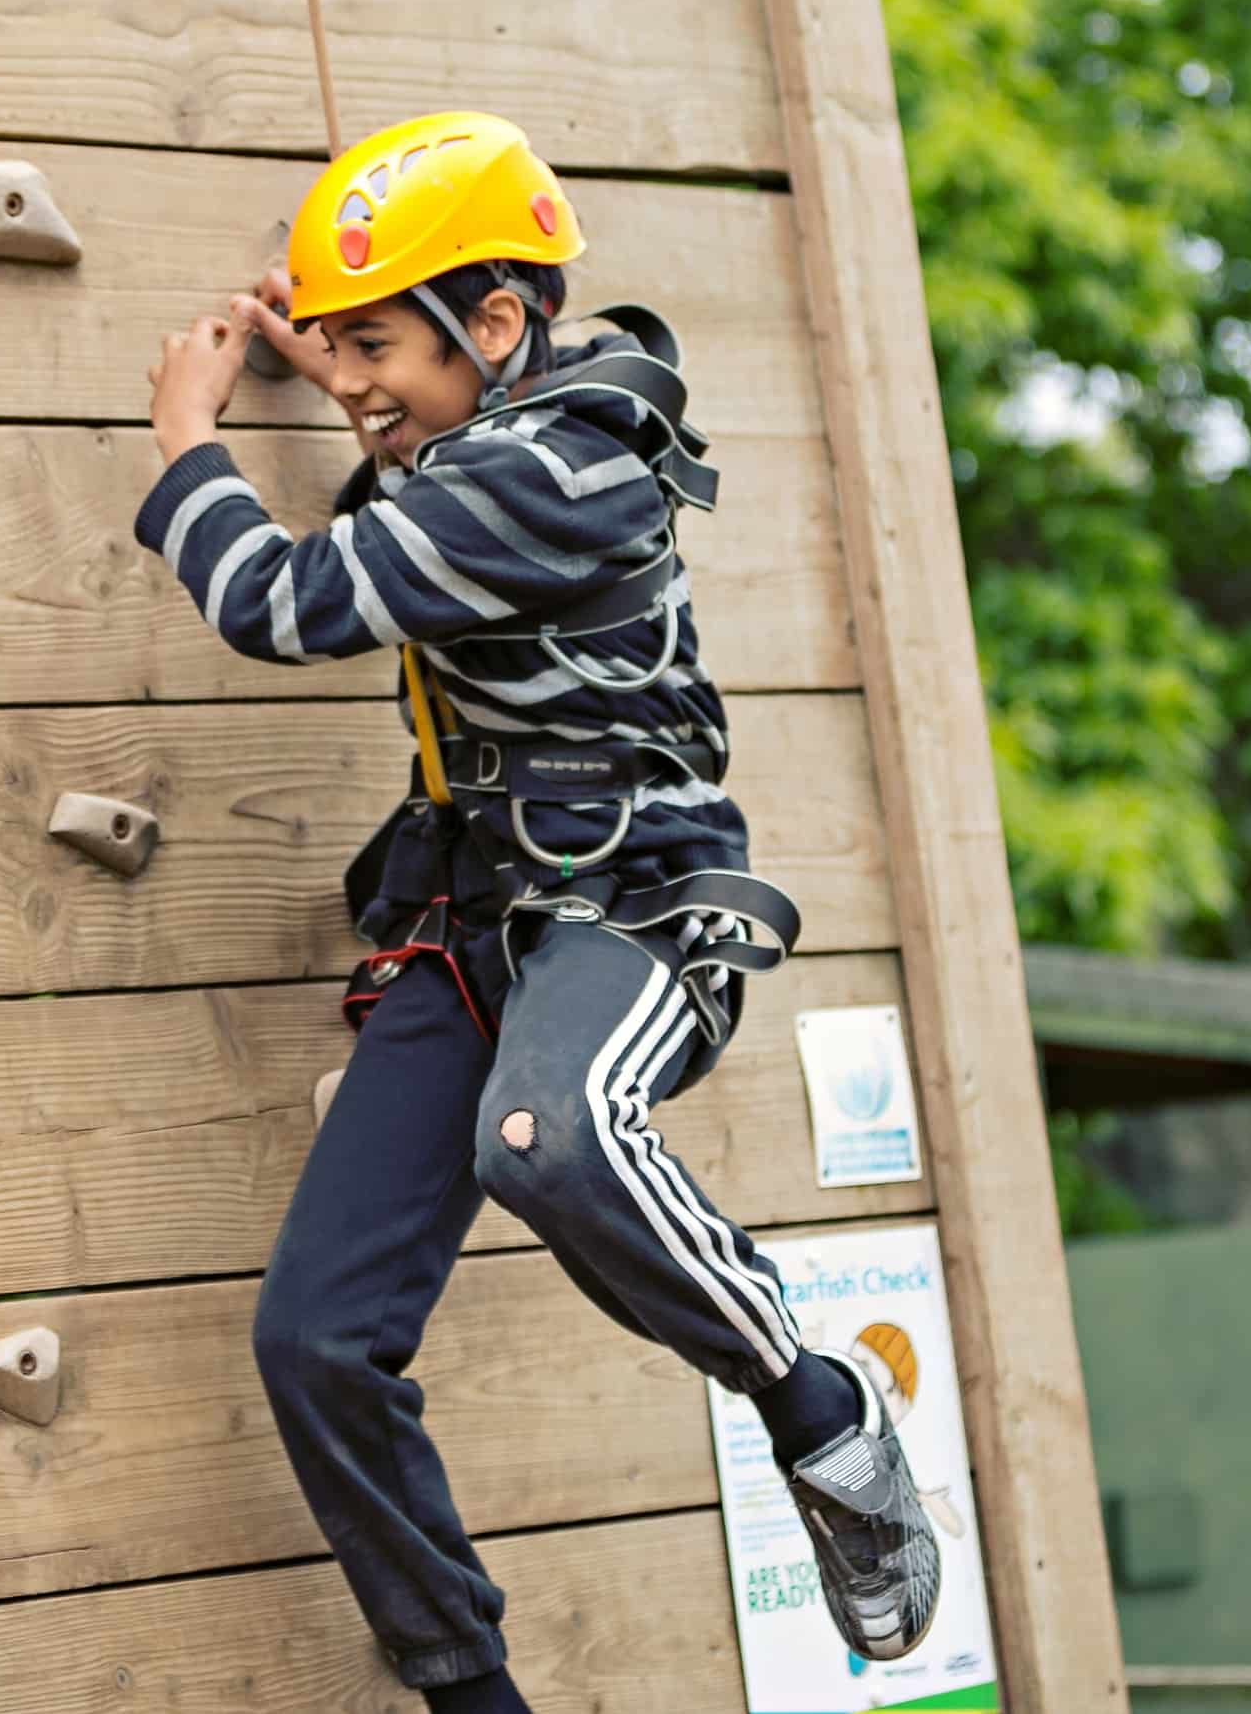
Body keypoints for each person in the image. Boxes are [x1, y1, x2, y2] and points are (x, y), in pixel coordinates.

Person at [132, 114, 941, 1708]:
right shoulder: (479, 439)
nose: (353, 381)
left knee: (544, 1137)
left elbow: (290, 601)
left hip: (634, 907)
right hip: (474, 921)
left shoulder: (556, 469)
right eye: (345, 346)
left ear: (497, 322)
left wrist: (186, 443)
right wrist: (363, 370)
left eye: (380, 346)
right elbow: (416, 471)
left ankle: (815, 1400)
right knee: (315, 1338)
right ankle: (468, 1686)